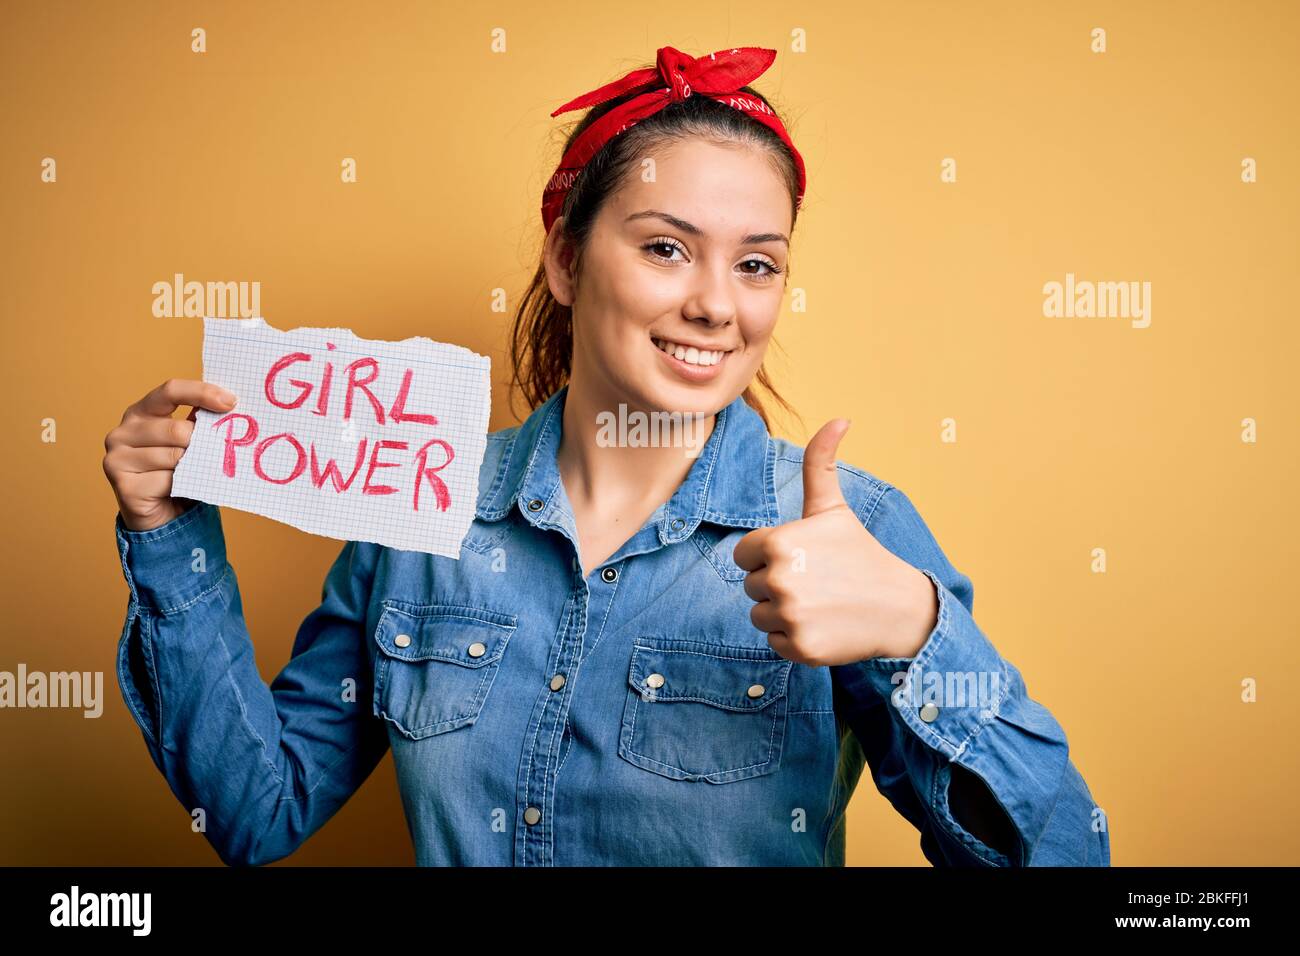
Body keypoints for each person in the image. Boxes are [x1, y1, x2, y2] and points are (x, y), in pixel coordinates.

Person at [102, 45, 1110, 867]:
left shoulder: (845, 533)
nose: (717, 302)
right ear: (566, 259)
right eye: (667, 247)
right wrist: (167, 535)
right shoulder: (415, 510)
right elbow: (253, 812)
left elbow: (1065, 856)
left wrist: (917, 629)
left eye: (756, 262)